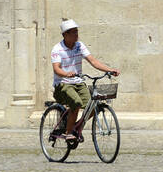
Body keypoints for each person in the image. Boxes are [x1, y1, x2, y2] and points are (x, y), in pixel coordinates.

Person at [50, 18, 119, 146]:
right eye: (73, 32)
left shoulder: (79, 46)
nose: (76, 34)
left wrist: (110, 70)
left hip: (78, 82)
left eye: (77, 31)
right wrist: (66, 73)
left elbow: (93, 61)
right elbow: (56, 69)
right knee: (76, 103)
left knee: (92, 107)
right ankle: (68, 132)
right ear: (65, 34)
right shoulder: (57, 49)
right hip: (63, 83)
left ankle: (75, 126)